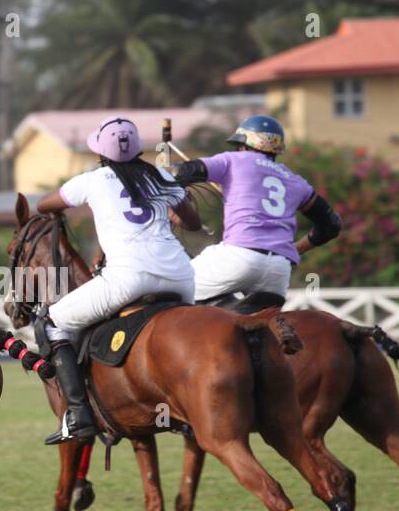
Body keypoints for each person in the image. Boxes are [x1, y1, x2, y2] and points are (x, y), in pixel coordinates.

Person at [35, 116, 201, 444]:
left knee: (51, 321)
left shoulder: (93, 180)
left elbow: (44, 205)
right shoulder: (160, 176)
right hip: (181, 279)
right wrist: (176, 192)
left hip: (129, 279)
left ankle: (79, 415)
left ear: (100, 151)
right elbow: (193, 223)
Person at [173, 115, 341, 302]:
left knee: (176, 285)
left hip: (238, 258)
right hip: (278, 269)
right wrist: (296, 249)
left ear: (245, 145)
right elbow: (331, 225)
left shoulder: (234, 160)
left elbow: (181, 172)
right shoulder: (295, 181)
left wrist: (182, 197)